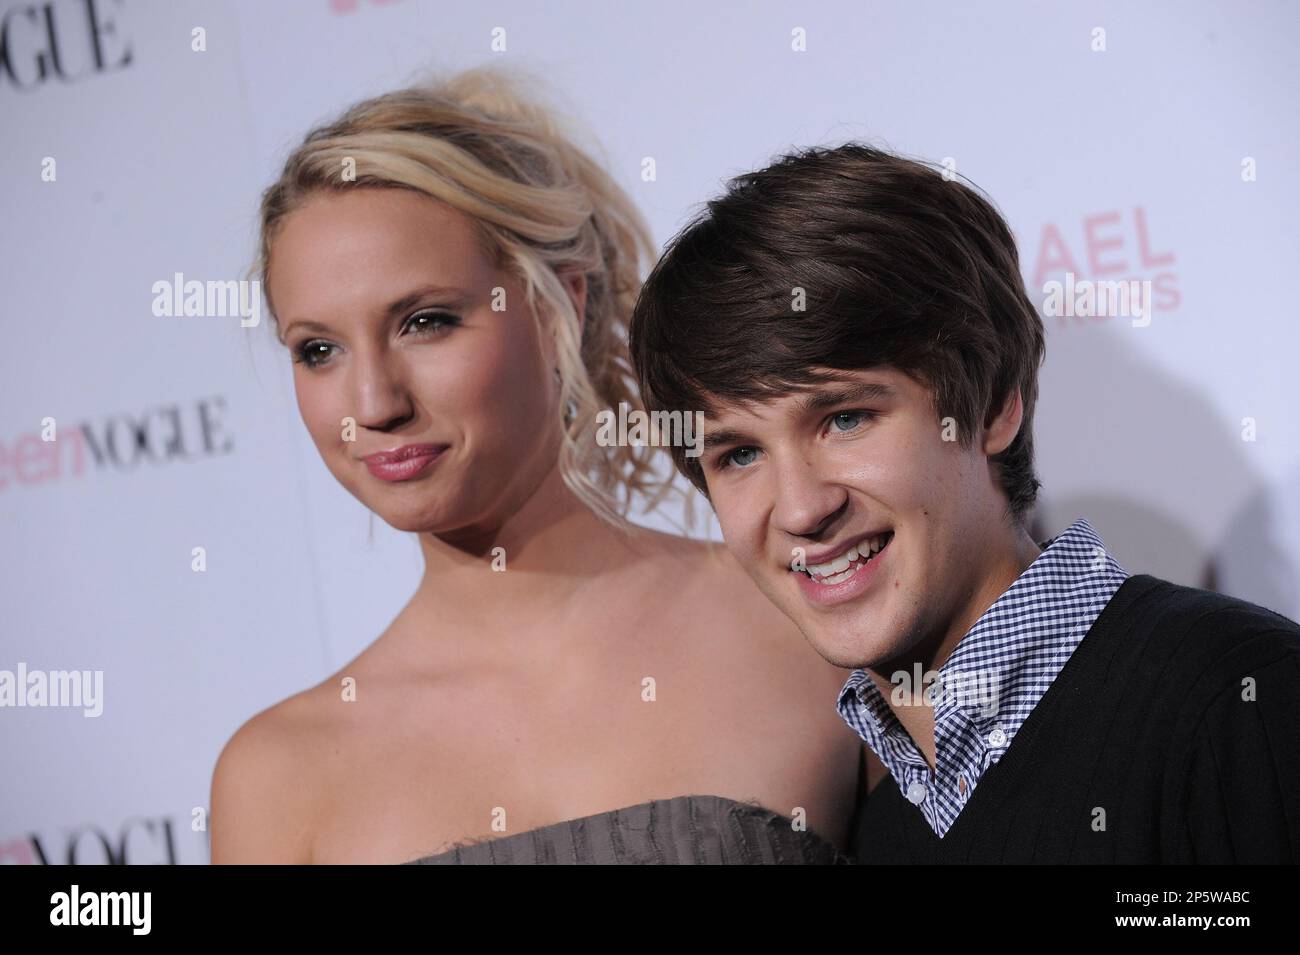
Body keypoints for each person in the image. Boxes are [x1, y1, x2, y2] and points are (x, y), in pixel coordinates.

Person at [208, 68, 865, 865]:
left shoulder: (809, 615)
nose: (374, 402)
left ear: (562, 305)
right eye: (319, 350)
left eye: (425, 321)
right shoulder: (277, 776)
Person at [627, 142, 1300, 864]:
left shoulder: (1240, 700)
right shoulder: (878, 829)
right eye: (741, 454)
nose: (800, 508)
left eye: (845, 418)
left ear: (991, 405)